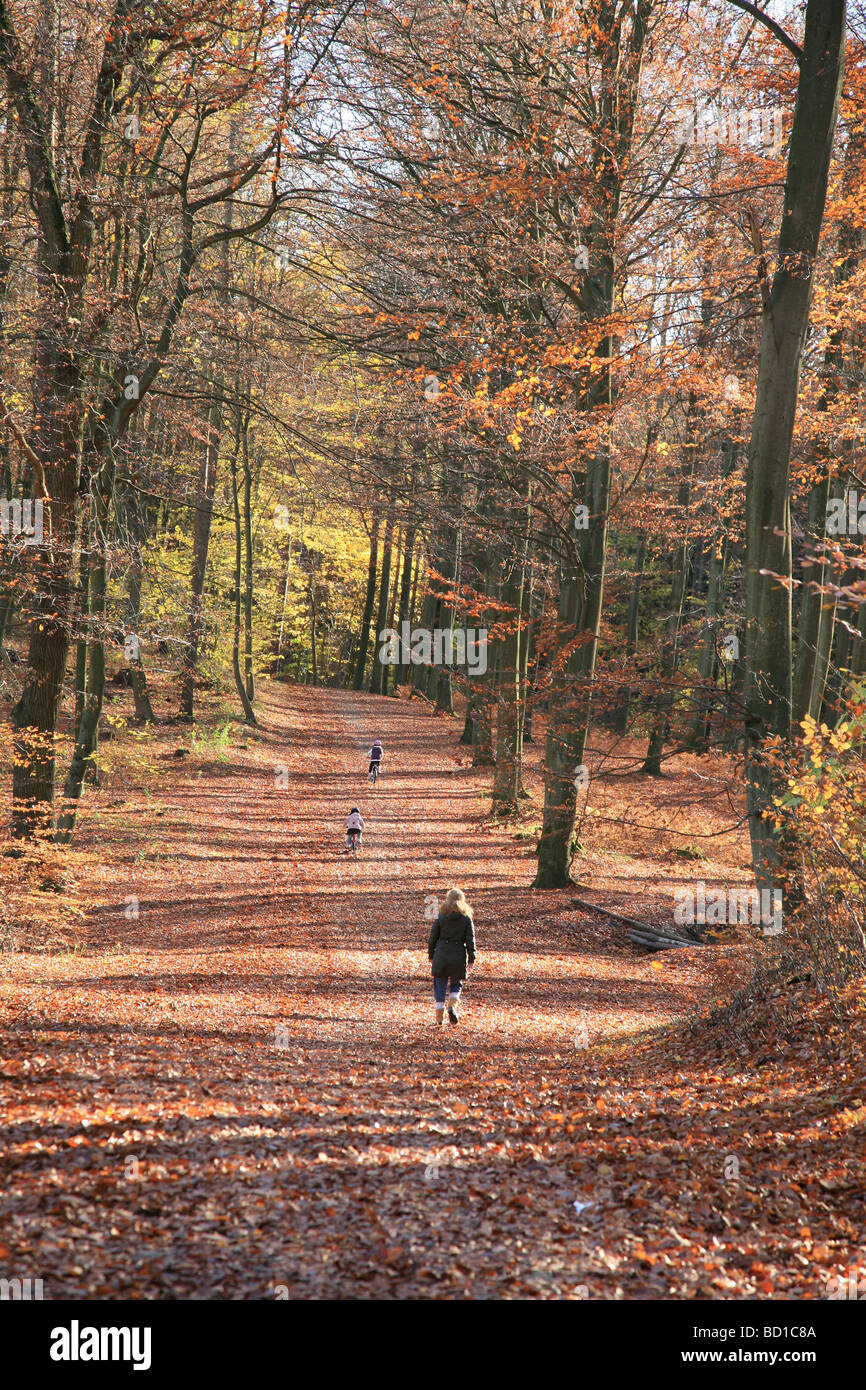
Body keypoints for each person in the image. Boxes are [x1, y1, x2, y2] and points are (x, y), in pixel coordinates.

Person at [427, 887, 476, 1027]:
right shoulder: (466, 918)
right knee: (456, 983)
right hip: (458, 955)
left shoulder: (441, 916)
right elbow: (470, 940)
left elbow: (433, 937)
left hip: (441, 954)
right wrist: (472, 958)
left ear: (448, 900)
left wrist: (431, 954)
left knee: (439, 985)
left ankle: (439, 1018)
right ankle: (452, 1006)